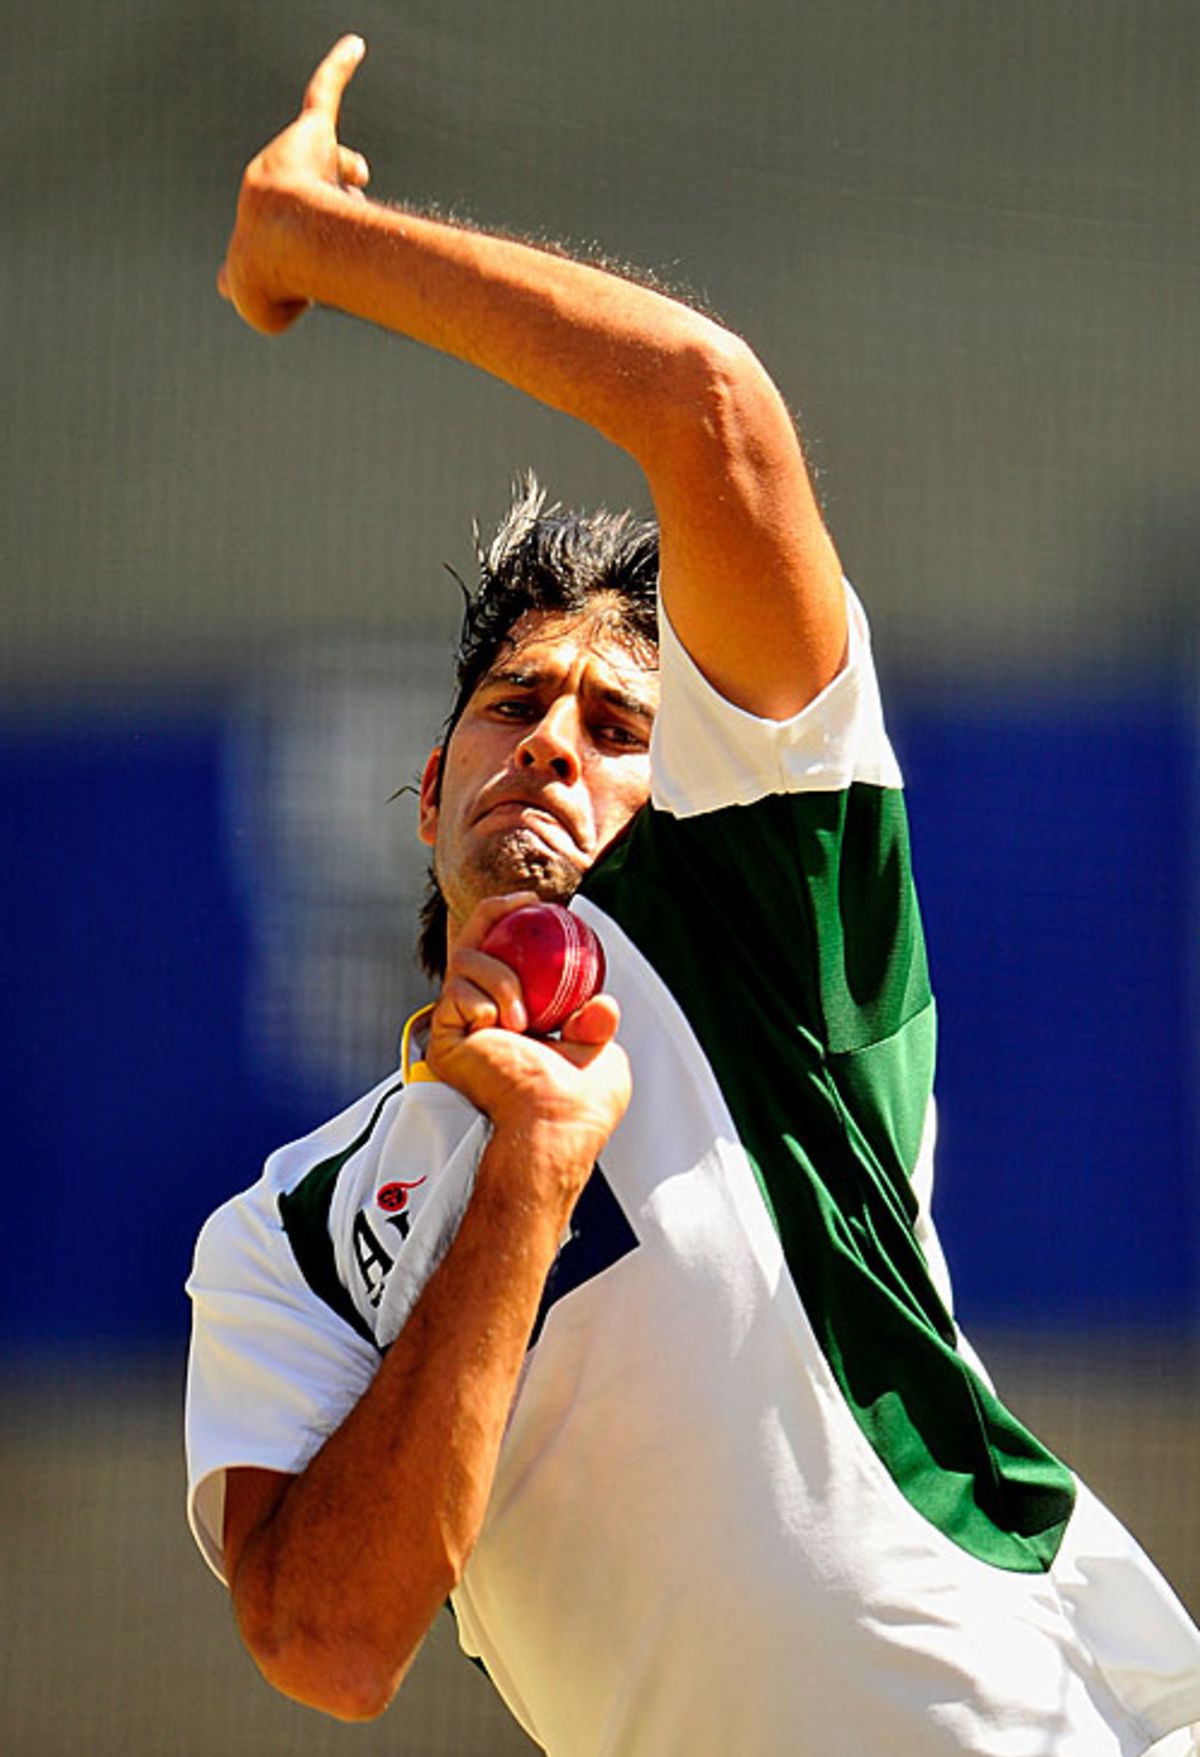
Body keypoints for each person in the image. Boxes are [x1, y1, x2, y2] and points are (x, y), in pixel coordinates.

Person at [185, 35, 1200, 1757]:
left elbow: (708, 409)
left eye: (619, 723)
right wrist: (528, 1166)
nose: (556, 745)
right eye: (513, 707)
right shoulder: (283, 1233)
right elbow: (328, 1639)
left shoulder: (761, 906)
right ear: (431, 787)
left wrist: (306, 245)